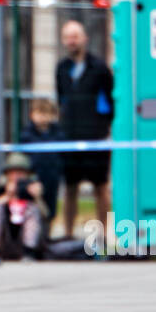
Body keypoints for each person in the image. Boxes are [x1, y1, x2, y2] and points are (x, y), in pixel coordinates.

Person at [55, 21, 115, 242]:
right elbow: (61, 98)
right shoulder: (62, 68)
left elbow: (110, 100)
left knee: (101, 187)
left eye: (76, 36)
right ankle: (69, 234)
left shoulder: (99, 68)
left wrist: (102, 126)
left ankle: (104, 235)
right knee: (70, 187)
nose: (72, 41)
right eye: (68, 37)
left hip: (96, 137)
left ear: (85, 38)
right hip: (70, 136)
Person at [0, 152, 47, 260]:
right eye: (12, 173)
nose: (15, 176)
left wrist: (37, 198)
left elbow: (46, 215)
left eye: (20, 173)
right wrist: (8, 196)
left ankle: (29, 252)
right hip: (4, 240)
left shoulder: (31, 190)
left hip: (25, 242)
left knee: (32, 209)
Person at [20, 98, 64, 240]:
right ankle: (32, 237)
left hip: (52, 175)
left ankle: (46, 236)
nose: (43, 117)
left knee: (50, 208)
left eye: (46, 113)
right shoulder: (27, 133)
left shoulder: (57, 132)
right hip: (35, 176)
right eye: (39, 113)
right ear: (32, 114)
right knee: (34, 207)